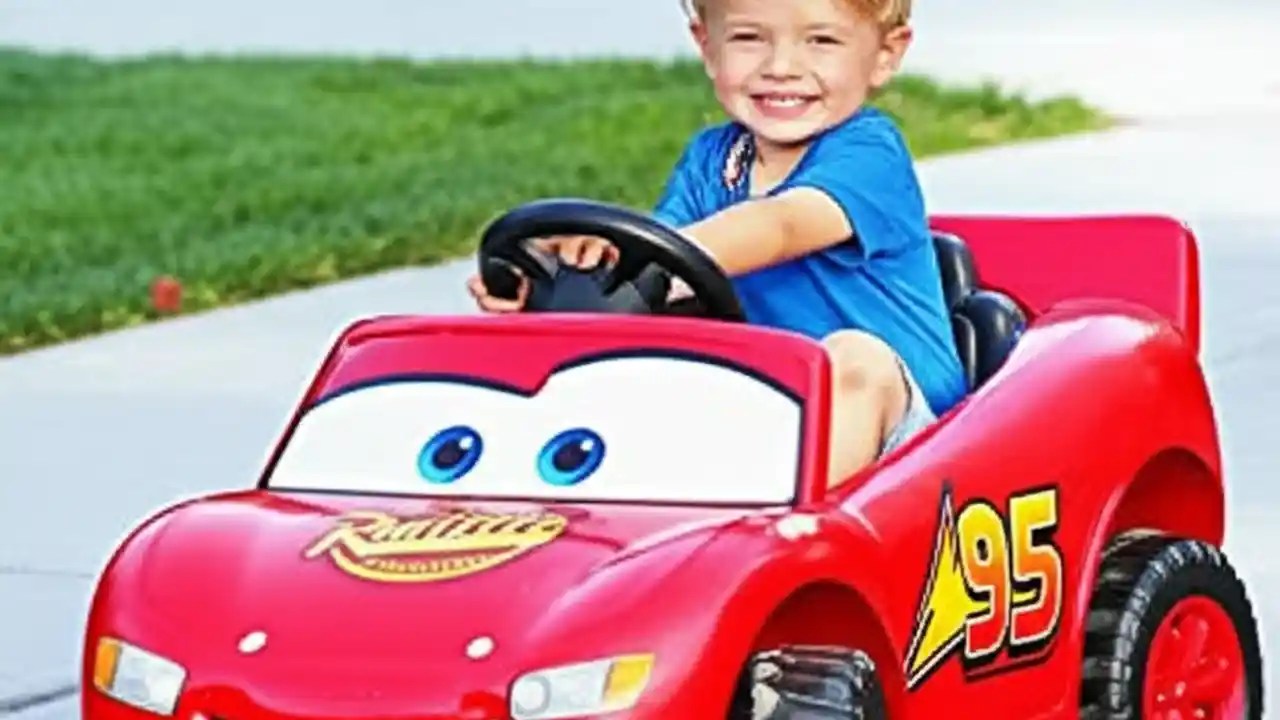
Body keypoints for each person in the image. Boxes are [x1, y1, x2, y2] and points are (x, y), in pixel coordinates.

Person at [467, 0, 966, 489]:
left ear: (885, 54)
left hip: (908, 443)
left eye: (821, 41)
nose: (782, 68)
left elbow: (782, 226)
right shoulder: (711, 160)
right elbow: (656, 267)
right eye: (749, 39)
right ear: (707, 46)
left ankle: (786, 540)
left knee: (854, 358)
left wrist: (654, 260)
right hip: (756, 423)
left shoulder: (869, 152)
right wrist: (577, 265)